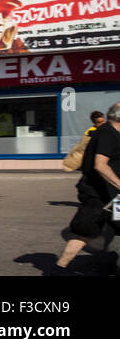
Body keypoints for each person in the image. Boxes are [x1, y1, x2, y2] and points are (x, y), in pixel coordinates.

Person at [55, 103, 120, 273]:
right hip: (99, 195)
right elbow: (100, 165)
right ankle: (59, 269)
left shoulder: (112, 133)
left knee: (90, 231)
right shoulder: (107, 134)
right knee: (86, 232)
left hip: (114, 195)